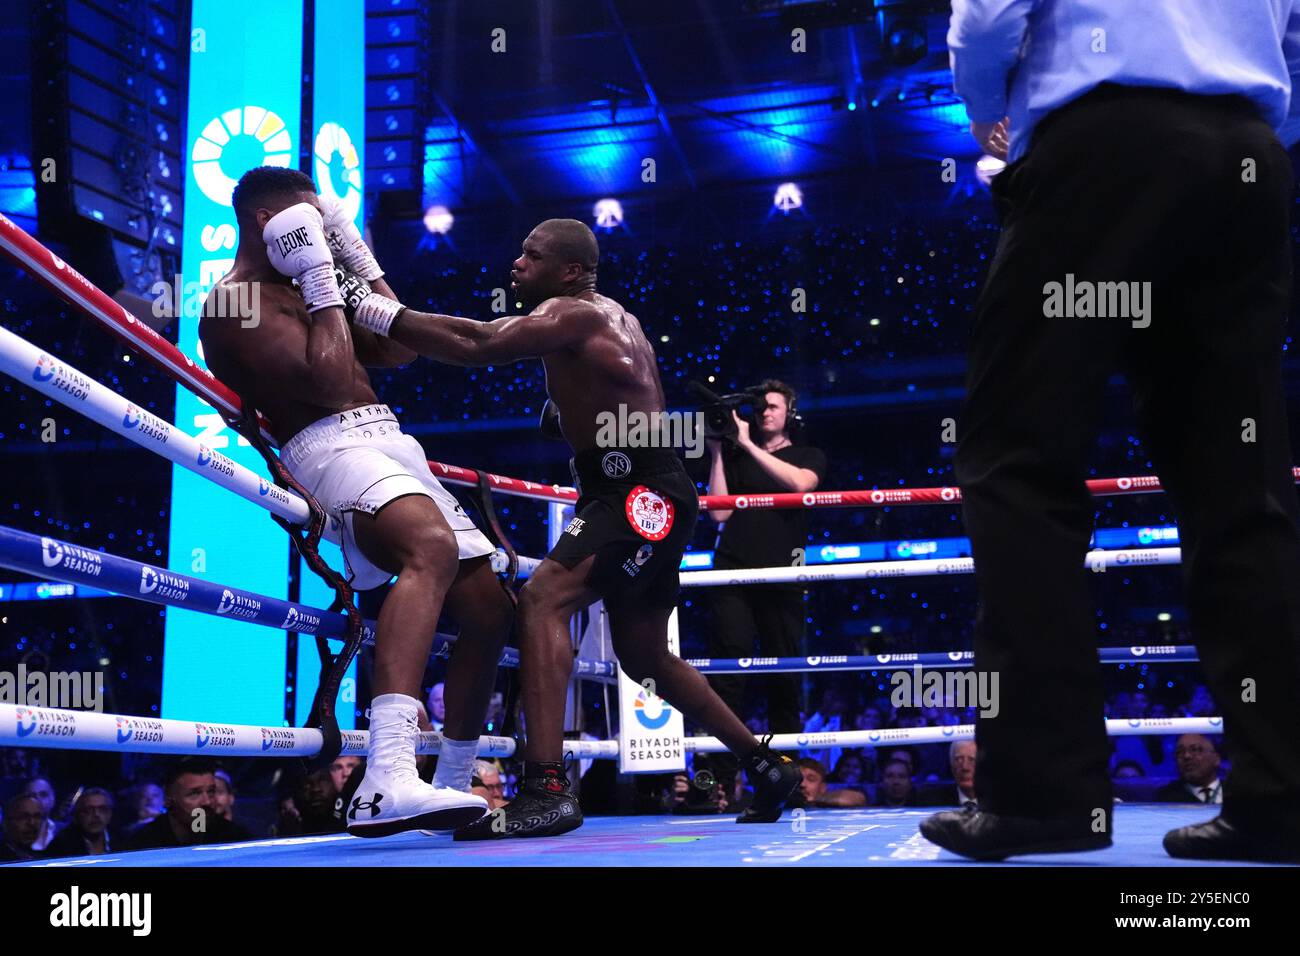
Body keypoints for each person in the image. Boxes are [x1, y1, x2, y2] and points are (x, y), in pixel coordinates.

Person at [922, 1, 1300, 862]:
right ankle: (1284, 797)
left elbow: (987, 17)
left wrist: (993, 115)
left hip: (1102, 150)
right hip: (1246, 158)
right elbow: (1296, 47)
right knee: (1241, 482)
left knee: (1016, 463)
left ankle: (1041, 793)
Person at [332, 217, 803, 838]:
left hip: (634, 491)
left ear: (571, 270)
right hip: (643, 485)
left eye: (531, 255)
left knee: (541, 598)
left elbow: (478, 343)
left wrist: (369, 307)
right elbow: (613, 400)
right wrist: (569, 415)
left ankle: (547, 787)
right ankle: (765, 765)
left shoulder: (573, 312)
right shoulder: (610, 320)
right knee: (642, 652)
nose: (515, 265)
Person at [200, 166, 515, 837]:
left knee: (489, 607)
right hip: (327, 447)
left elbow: (397, 350)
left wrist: (358, 263)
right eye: (309, 218)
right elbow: (330, 378)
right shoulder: (234, 302)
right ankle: (386, 777)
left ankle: (451, 788)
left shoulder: (310, 286)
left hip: (390, 441)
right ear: (269, 223)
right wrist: (320, 280)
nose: (319, 230)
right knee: (426, 546)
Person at [700, 379, 826, 801]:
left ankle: (782, 780)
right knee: (728, 679)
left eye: (773, 406)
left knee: (783, 678)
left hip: (783, 575)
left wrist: (748, 445)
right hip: (733, 571)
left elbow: (801, 485)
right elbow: (717, 515)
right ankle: (720, 781)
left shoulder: (808, 454)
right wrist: (719, 450)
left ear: (790, 410)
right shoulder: (734, 454)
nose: (765, 412)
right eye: (760, 408)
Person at [125, 758, 255, 850]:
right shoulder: (142, 845)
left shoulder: (237, 838)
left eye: (211, 792)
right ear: (168, 799)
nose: (207, 801)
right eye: (194, 793)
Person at [43, 789, 115, 858]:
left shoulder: (123, 842)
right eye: (88, 810)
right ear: (77, 815)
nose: (96, 814)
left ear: (110, 814)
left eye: (102, 809)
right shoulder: (60, 846)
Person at [1154, 735, 1224, 805]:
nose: (1186, 756)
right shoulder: (1165, 798)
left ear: (1216, 759)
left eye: (1195, 749)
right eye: (1179, 752)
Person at [919, 741, 978, 808]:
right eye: (958, 759)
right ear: (951, 766)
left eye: (972, 760)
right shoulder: (929, 801)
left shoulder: (991, 801)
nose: (965, 767)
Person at [19, 776, 61, 851]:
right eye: (32, 796)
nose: (38, 799)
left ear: (52, 799)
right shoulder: (13, 835)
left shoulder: (67, 832)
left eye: (43, 795)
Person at [0, 795, 44, 862]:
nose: (32, 823)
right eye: (23, 817)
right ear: (5, 823)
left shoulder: (48, 855)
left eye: (37, 816)